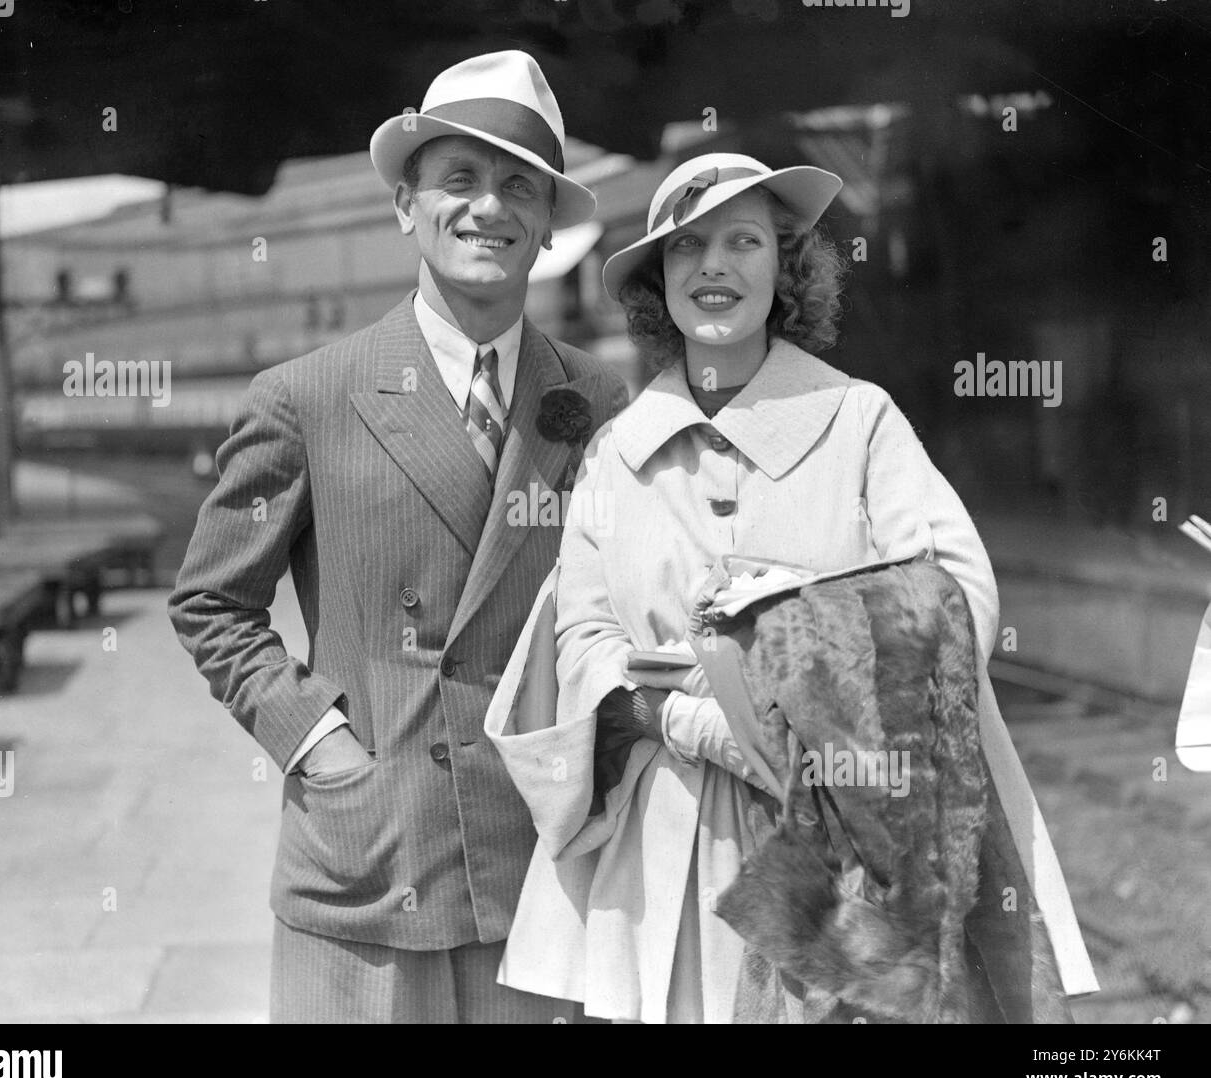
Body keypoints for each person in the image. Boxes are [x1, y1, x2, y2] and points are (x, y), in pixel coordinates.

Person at [485, 152, 1098, 1023]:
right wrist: (701, 722)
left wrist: (806, 663)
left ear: (787, 270)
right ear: (660, 280)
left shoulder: (861, 421)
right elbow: (580, 639)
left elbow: (959, 596)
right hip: (669, 848)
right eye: (688, 246)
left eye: (745, 241)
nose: (716, 267)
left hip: (847, 833)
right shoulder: (614, 457)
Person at [168, 50, 628, 1023]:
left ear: (547, 222)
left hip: (543, 871)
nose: (487, 207)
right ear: (404, 207)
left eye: (517, 185)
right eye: (458, 179)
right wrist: (317, 740)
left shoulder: (599, 402)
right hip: (369, 868)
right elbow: (213, 601)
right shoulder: (307, 397)